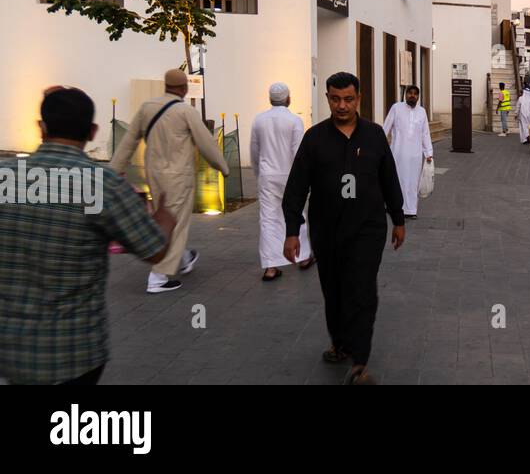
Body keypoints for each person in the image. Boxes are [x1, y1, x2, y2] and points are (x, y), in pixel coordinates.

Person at [0, 87, 177, 385]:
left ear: (41, 127)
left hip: (10, 351)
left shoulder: (5, 175)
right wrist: (165, 218)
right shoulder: (100, 184)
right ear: (93, 131)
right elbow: (155, 250)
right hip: (72, 352)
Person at [282, 71, 406, 386]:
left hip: (367, 230)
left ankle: (360, 363)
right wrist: (292, 230)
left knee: (362, 291)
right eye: (335, 99)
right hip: (326, 231)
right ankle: (339, 343)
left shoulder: (375, 135)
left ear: (358, 99)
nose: (342, 105)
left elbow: (389, 179)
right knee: (334, 290)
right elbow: (296, 187)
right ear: (327, 99)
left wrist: (399, 219)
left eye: (348, 99)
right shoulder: (315, 138)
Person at [110, 67, 229, 293]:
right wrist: (222, 167)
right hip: (179, 176)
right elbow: (206, 143)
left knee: (165, 218)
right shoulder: (186, 111)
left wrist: (115, 169)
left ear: (165, 86)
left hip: (153, 174)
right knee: (175, 223)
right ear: (184, 88)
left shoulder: (147, 107)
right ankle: (158, 277)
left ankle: (183, 259)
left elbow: (129, 141)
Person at [250, 82, 313, 281]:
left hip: (268, 175)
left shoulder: (259, 120)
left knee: (268, 218)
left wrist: (257, 172)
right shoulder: (294, 120)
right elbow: (298, 151)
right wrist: (305, 177)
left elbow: (254, 150)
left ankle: (270, 266)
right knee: (296, 214)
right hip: (290, 175)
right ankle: (303, 257)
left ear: (270, 99)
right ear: (288, 99)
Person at [382, 84, 433, 219]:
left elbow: (425, 133)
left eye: (415, 93)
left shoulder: (422, 112)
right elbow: (386, 127)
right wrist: (379, 146)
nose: (412, 95)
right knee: (397, 180)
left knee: (412, 182)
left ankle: (411, 210)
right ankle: (394, 207)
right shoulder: (396, 108)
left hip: (415, 155)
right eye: (409, 93)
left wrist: (428, 153)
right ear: (405, 95)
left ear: (418, 96)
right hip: (398, 152)